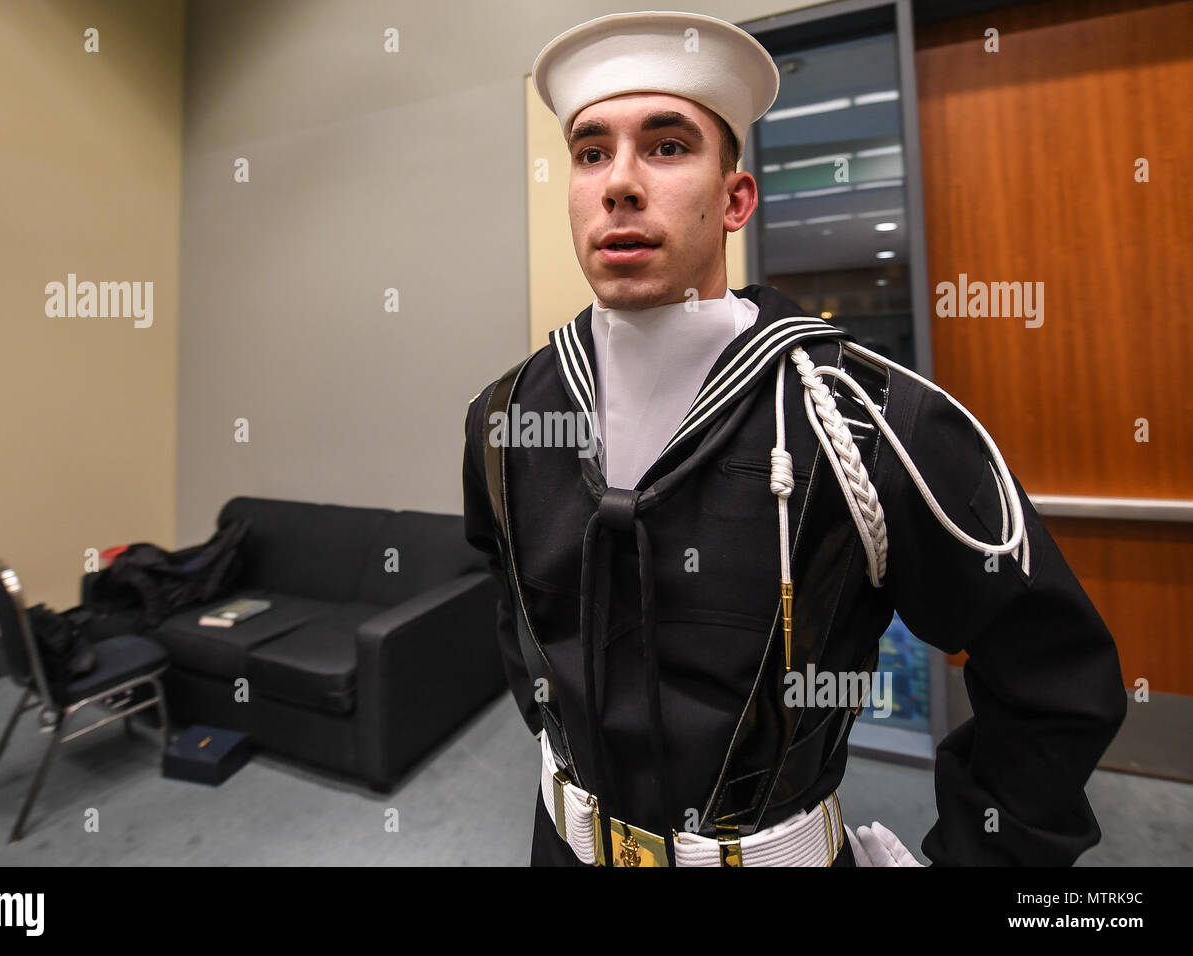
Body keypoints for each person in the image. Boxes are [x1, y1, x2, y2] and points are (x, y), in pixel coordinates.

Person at [461, 10, 1126, 867]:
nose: (619, 182)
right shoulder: (507, 417)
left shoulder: (868, 421)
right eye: (592, 153)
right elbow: (509, 597)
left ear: (736, 199)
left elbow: (1054, 678)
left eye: (667, 147)